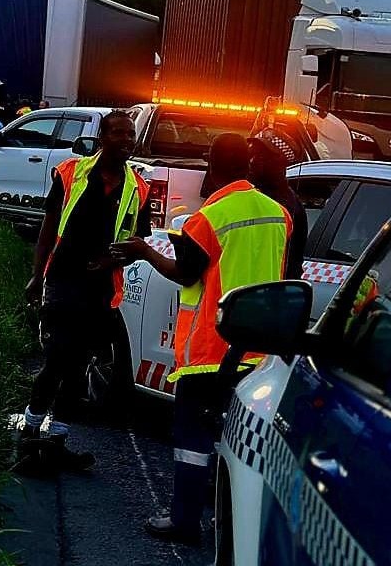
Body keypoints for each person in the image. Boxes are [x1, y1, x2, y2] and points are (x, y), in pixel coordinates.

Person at [112, 133, 291, 545]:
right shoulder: (279, 214)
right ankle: (230, 525)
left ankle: (184, 520)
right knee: (238, 443)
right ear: (247, 164)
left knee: (193, 439)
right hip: (260, 351)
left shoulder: (206, 219)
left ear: (211, 163)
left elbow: (185, 274)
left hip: (212, 349)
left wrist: (144, 250)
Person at [19, 110, 151, 472]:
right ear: (102, 137)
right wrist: (36, 276)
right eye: (119, 134)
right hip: (63, 278)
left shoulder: (138, 188)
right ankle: (28, 435)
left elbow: (137, 243)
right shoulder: (71, 173)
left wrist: (111, 262)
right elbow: (48, 227)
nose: (127, 140)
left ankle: (57, 441)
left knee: (78, 365)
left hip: (101, 288)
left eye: (131, 135)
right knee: (57, 359)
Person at [248, 127, 308, 280]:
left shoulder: (286, 206)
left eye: (260, 156)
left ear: (279, 162)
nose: (252, 161)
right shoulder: (254, 197)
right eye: (251, 154)